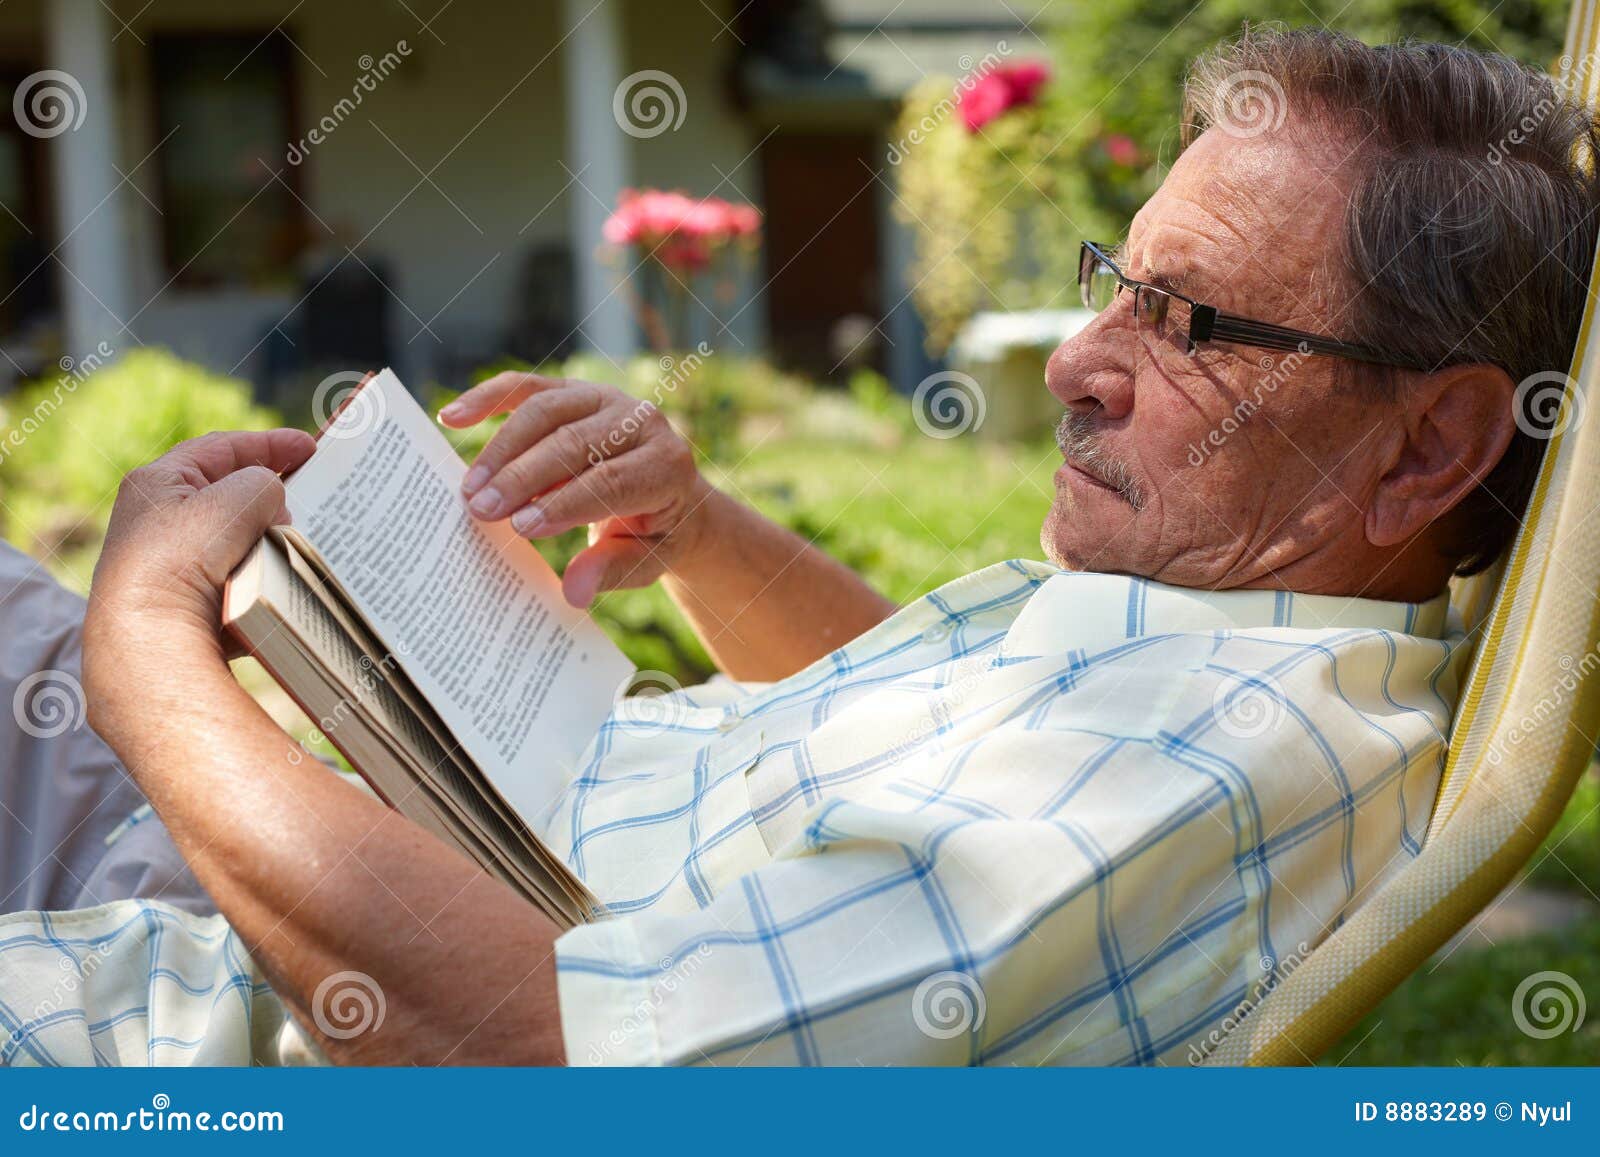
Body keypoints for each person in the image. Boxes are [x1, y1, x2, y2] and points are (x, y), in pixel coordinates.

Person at [2, 28, 1594, 1066]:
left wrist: (140, 662)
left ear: (1432, 446)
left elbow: (530, 1056)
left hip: (187, 1005)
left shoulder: (1218, 761)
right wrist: (700, 530)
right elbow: (914, 754)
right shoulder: (1238, 627)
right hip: (336, 855)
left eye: (1186, 322)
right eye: (1120, 278)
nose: (1075, 361)